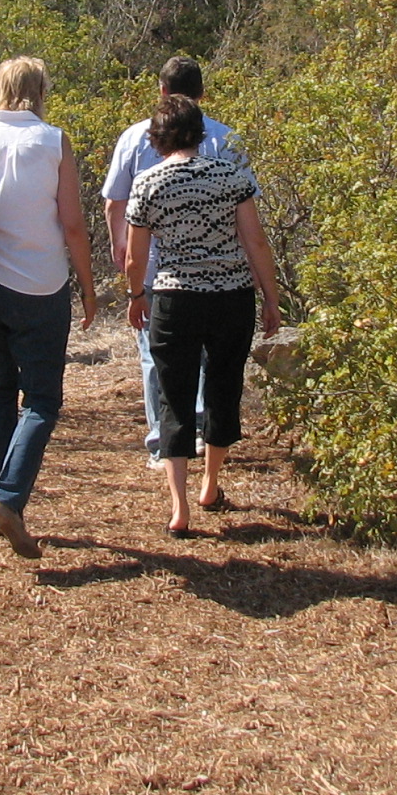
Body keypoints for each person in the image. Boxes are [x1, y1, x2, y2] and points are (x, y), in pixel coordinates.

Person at [0, 57, 98, 559]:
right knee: (43, 401)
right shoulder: (53, 141)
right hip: (41, 287)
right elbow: (72, 224)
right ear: (41, 90)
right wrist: (89, 288)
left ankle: (2, 501)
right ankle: (8, 500)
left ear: (0, 87)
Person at [122, 93, 281, 538]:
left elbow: (136, 257)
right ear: (200, 132)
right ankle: (210, 483)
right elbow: (256, 243)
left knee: (175, 395)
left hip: (175, 299)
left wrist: (136, 295)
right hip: (231, 296)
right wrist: (270, 297)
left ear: (159, 137)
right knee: (223, 386)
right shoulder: (231, 177)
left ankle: (179, 506)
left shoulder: (148, 183)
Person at [102, 57, 230, 467]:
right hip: (216, 270)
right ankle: (203, 434)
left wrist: (121, 248)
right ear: (202, 93)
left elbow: (114, 202)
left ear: (161, 90)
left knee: (154, 353)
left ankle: (163, 440)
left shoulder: (135, 137)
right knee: (209, 354)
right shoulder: (225, 139)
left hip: (156, 267)